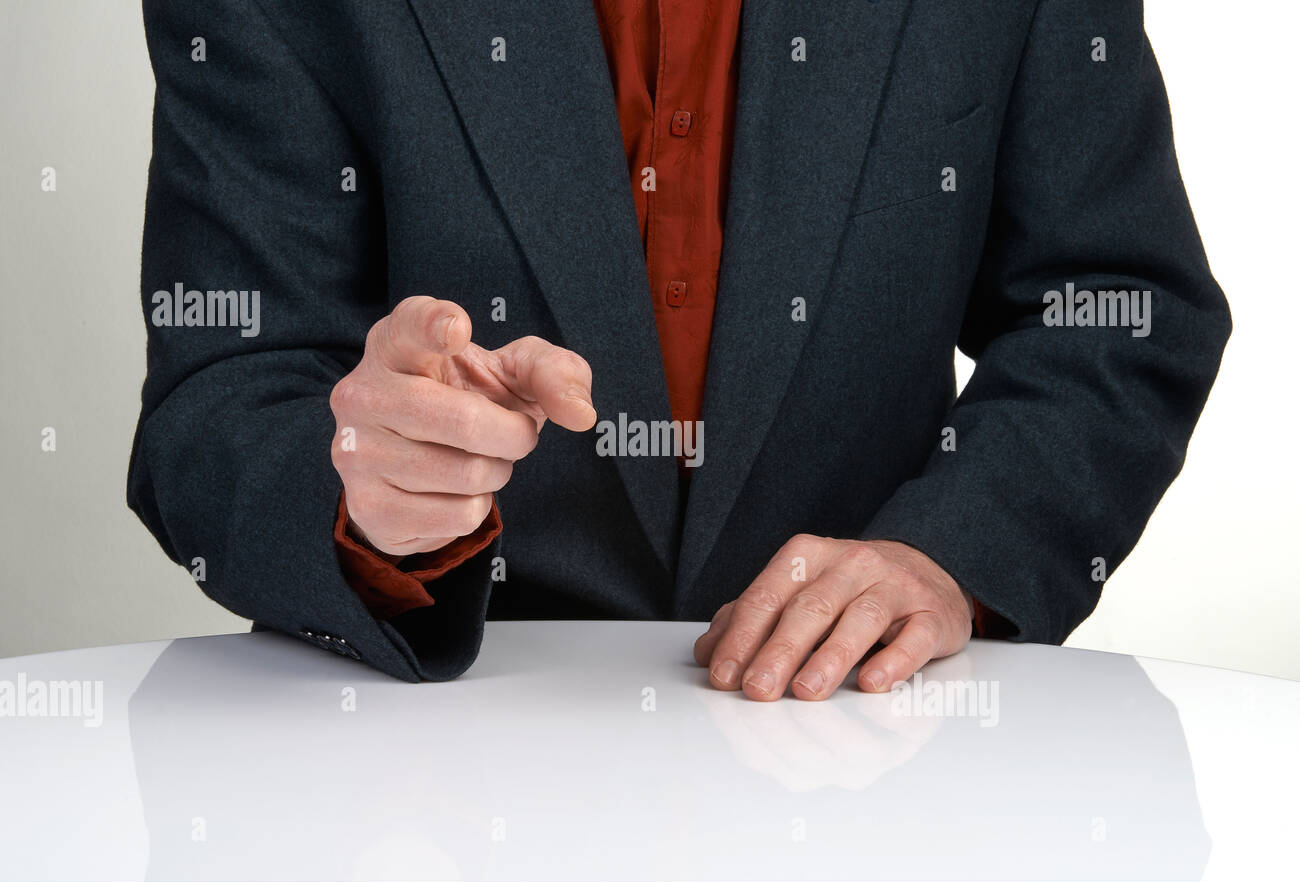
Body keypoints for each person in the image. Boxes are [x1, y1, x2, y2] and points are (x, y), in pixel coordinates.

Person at [129, 0, 1230, 700]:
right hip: (422, 777)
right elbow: (218, 389)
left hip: (878, 751)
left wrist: (947, 553)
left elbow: (1119, 309)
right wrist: (364, 493)